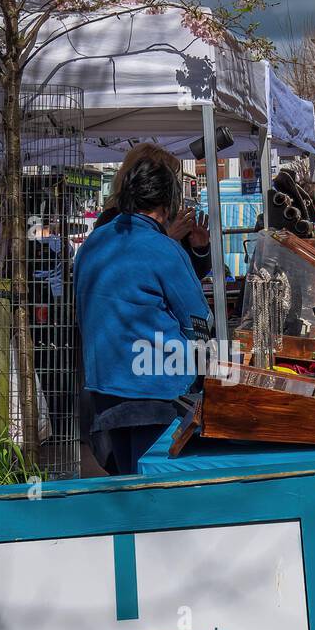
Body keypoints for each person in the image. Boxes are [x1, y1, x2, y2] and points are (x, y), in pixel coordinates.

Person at [75, 147, 212, 475]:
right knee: (154, 492)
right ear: (167, 204)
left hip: (104, 390)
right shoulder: (163, 248)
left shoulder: (93, 243)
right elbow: (199, 323)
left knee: (126, 486)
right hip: (157, 392)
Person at [96, 142, 212, 278]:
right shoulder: (112, 220)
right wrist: (167, 239)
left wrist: (200, 248)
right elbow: (120, 269)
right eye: (166, 176)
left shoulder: (172, 218)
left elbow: (196, 273)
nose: (172, 184)